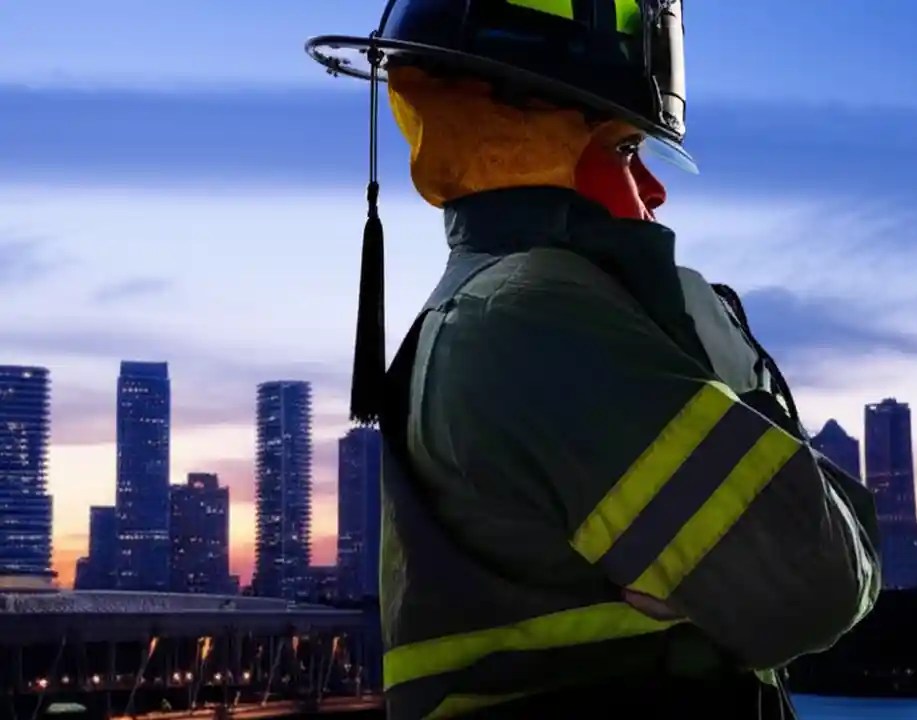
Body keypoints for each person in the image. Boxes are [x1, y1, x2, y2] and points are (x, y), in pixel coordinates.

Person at [305, 2, 882, 718]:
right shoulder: (537, 321)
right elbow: (811, 587)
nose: (657, 189)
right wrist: (731, 368)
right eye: (623, 151)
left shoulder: (482, 311)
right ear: (537, 152)